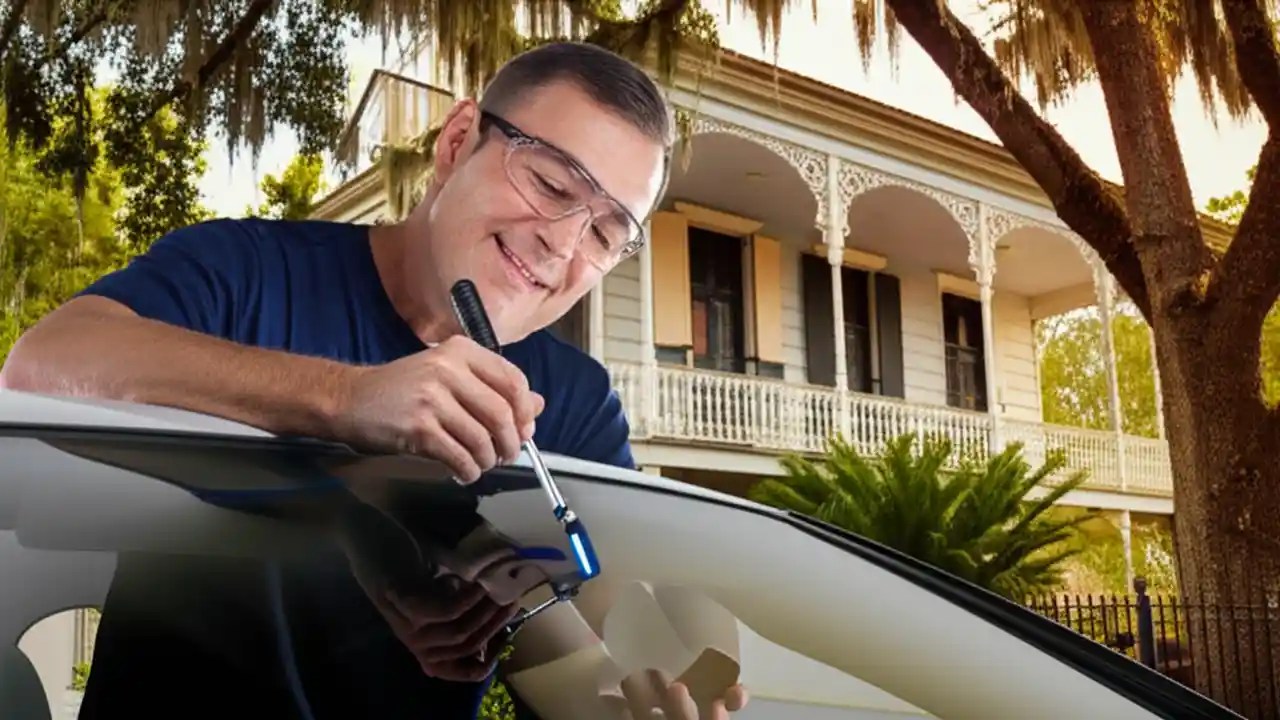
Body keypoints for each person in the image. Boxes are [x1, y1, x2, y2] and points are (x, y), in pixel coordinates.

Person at [0, 42, 749, 719]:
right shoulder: (248, 270)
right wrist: (346, 402)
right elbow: (43, 364)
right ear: (457, 144)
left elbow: (572, 628)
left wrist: (634, 699)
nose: (564, 243)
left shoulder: (577, 404)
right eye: (553, 186)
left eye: (606, 232)